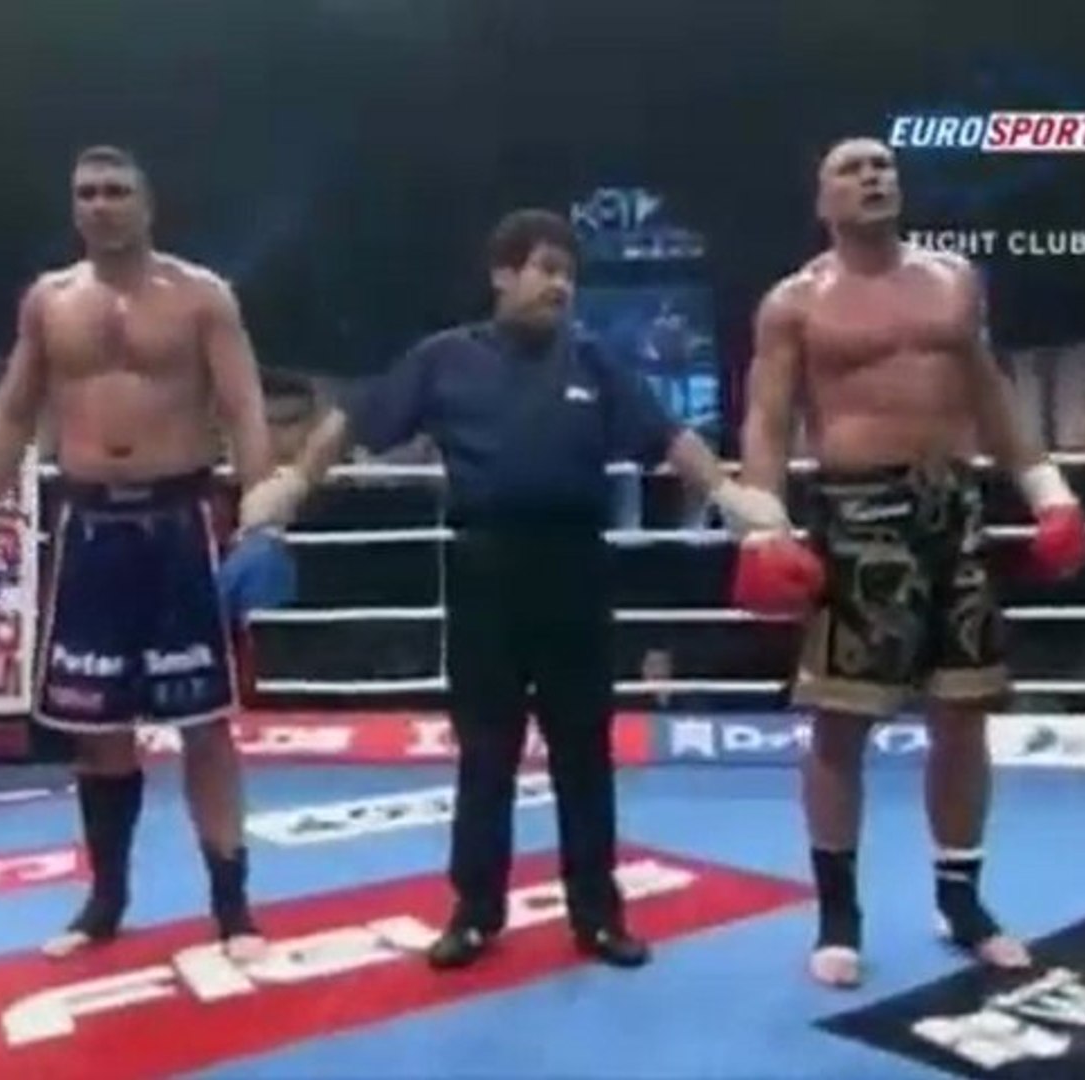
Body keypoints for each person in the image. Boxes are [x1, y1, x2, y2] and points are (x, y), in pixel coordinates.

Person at [240, 208, 784, 969]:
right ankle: (475, 913)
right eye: (545, 270)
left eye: (568, 274)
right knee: (486, 750)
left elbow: (669, 437)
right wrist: (295, 484)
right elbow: (354, 421)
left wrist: (727, 495)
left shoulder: (594, 360)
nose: (560, 286)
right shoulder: (444, 358)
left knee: (583, 749)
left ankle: (597, 915)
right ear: (503, 274)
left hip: (576, 569)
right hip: (485, 573)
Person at [731, 137, 1085, 988]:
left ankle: (960, 900)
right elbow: (768, 418)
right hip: (857, 516)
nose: (873, 176)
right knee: (840, 721)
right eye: (851, 169)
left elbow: (989, 393)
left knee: (964, 713)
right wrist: (762, 528)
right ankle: (838, 915)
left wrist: (1048, 489)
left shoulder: (955, 279)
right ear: (822, 200)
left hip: (953, 506)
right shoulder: (794, 302)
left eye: (883, 165)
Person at [0, 146, 295, 962]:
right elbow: (12, 414)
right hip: (87, 524)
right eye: (87, 192)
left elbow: (243, 409)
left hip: (181, 522)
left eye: (116, 191)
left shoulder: (202, 295)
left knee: (205, 723)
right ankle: (105, 900)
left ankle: (233, 907)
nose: (101, 204)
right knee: (95, 725)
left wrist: (262, 521)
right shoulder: (50, 301)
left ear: (147, 203)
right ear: (74, 207)